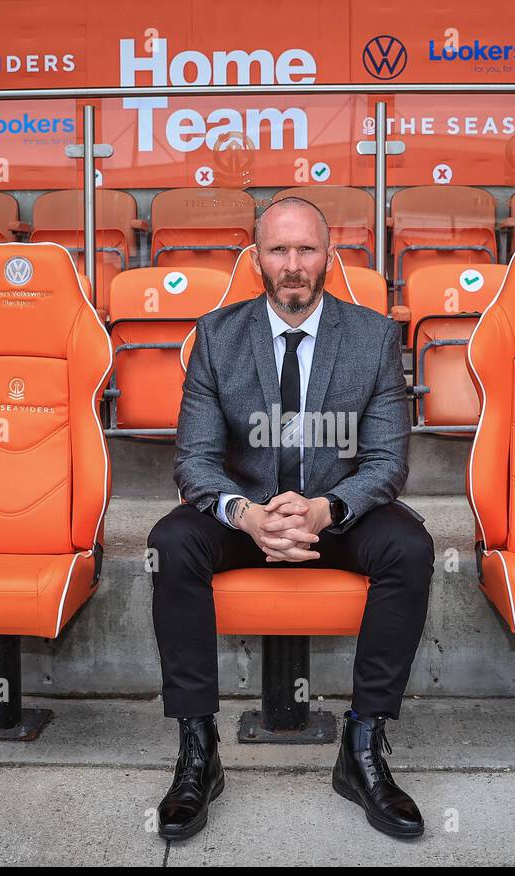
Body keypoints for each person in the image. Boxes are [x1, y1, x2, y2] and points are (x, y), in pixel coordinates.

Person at [146, 196, 434, 840]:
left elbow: (388, 462)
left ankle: (363, 746)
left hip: (335, 514)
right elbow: (194, 461)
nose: (293, 265)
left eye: (306, 249)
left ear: (329, 257)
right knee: (170, 542)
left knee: (410, 547)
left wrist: (327, 508)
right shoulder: (217, 337)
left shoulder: (373, 337)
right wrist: (247, 515)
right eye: (279, 250)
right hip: (246, 519)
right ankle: (199, 750)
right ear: (258, 261)